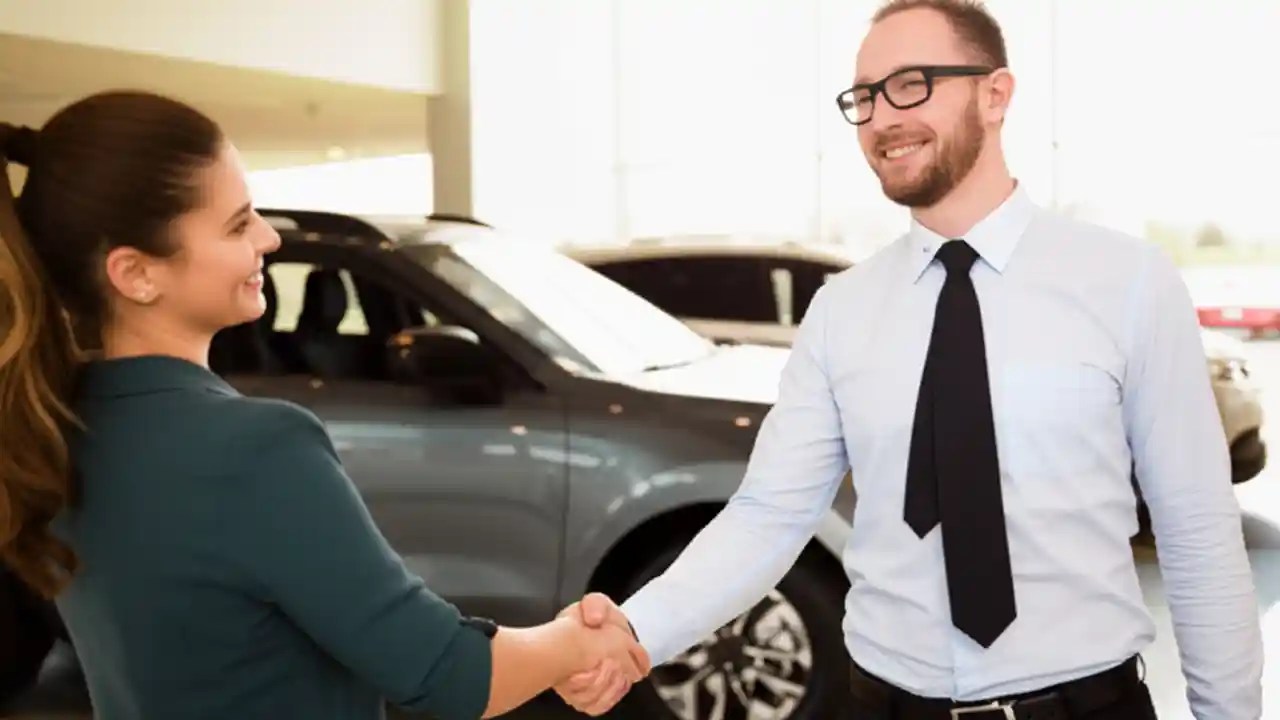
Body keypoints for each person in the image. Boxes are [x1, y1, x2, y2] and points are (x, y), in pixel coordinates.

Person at [555, 0, 1264, 718]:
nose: (881, 116)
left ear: (996, 94)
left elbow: (1196, 525)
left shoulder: (1128, 282)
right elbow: (769, 513)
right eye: (863, 96)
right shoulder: (842, 310)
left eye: (912, 83)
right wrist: (635, 629)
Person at [0, 91, 649, 720]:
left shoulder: (54, 427)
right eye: (237, 223)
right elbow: (449, 675)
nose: (269, 238)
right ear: (136, 273)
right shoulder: (254, 447)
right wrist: (575, 641)